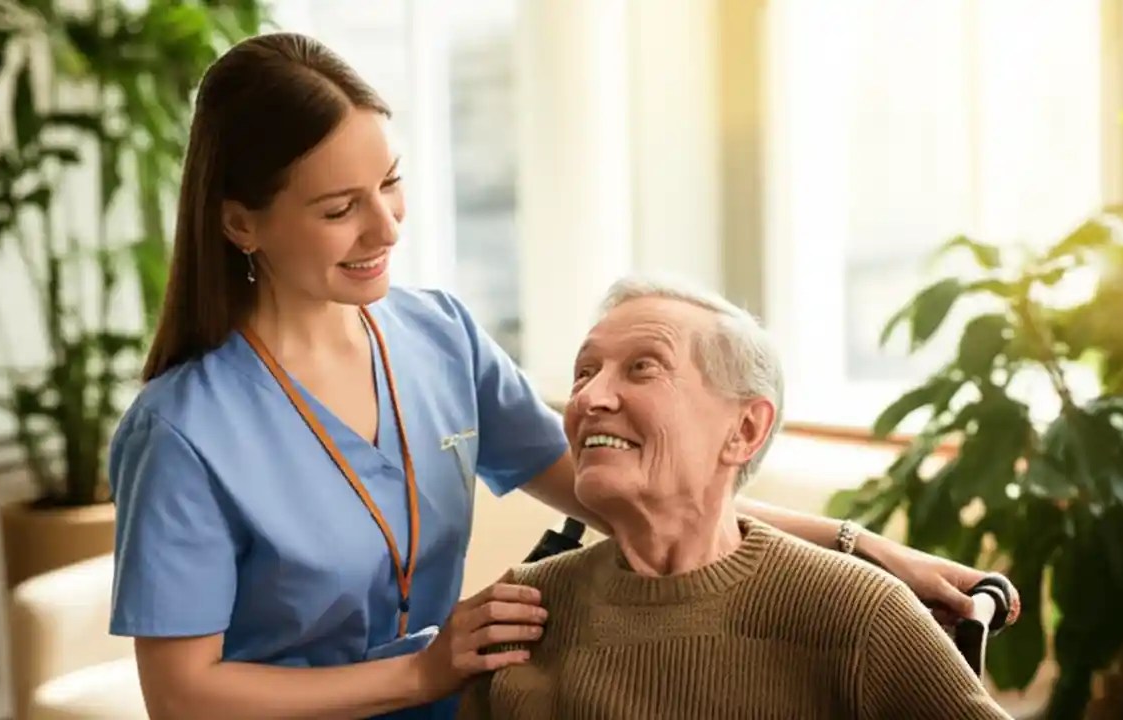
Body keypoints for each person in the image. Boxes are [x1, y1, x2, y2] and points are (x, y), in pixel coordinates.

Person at [106, 32, 1017, 720]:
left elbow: (630, 485)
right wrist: (424, 669)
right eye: (341, 209)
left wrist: (869, 552)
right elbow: (184, 695)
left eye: (391, 183)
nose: (386, 228)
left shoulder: (437, 336)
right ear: (240, 224)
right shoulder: (183, 429)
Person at [455, 278, 1012, 720]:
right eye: (584, 372)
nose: (591, 397)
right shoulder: (523, 612)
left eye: (642, 367)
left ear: (745, 430)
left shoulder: (859, 614)